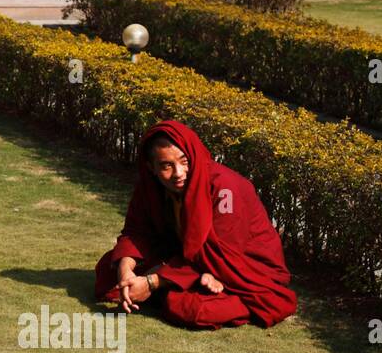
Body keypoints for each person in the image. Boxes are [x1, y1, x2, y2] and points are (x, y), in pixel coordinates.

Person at [94, 119, 297, 330]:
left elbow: (222, 255)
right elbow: (136, 232)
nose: (178, 173)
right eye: (166, 166)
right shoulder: (150, 186)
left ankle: (189, 290)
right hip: (188, 258)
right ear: (151, 167)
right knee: (108, 272)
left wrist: (152, 281)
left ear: (194, 155)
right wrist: (126, 272)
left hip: (242, 268)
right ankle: (177, 284)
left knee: (187, 308)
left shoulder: (225, 187)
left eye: (184, 161)